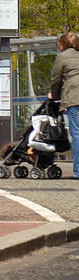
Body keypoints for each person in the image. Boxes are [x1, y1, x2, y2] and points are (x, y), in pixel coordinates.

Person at [49, 32, 79, 179]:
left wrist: (54, 96)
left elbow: (56, 79)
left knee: (77, 134)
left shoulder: (62, 57)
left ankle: (78, 170)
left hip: (75, 98)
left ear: (64, 44)